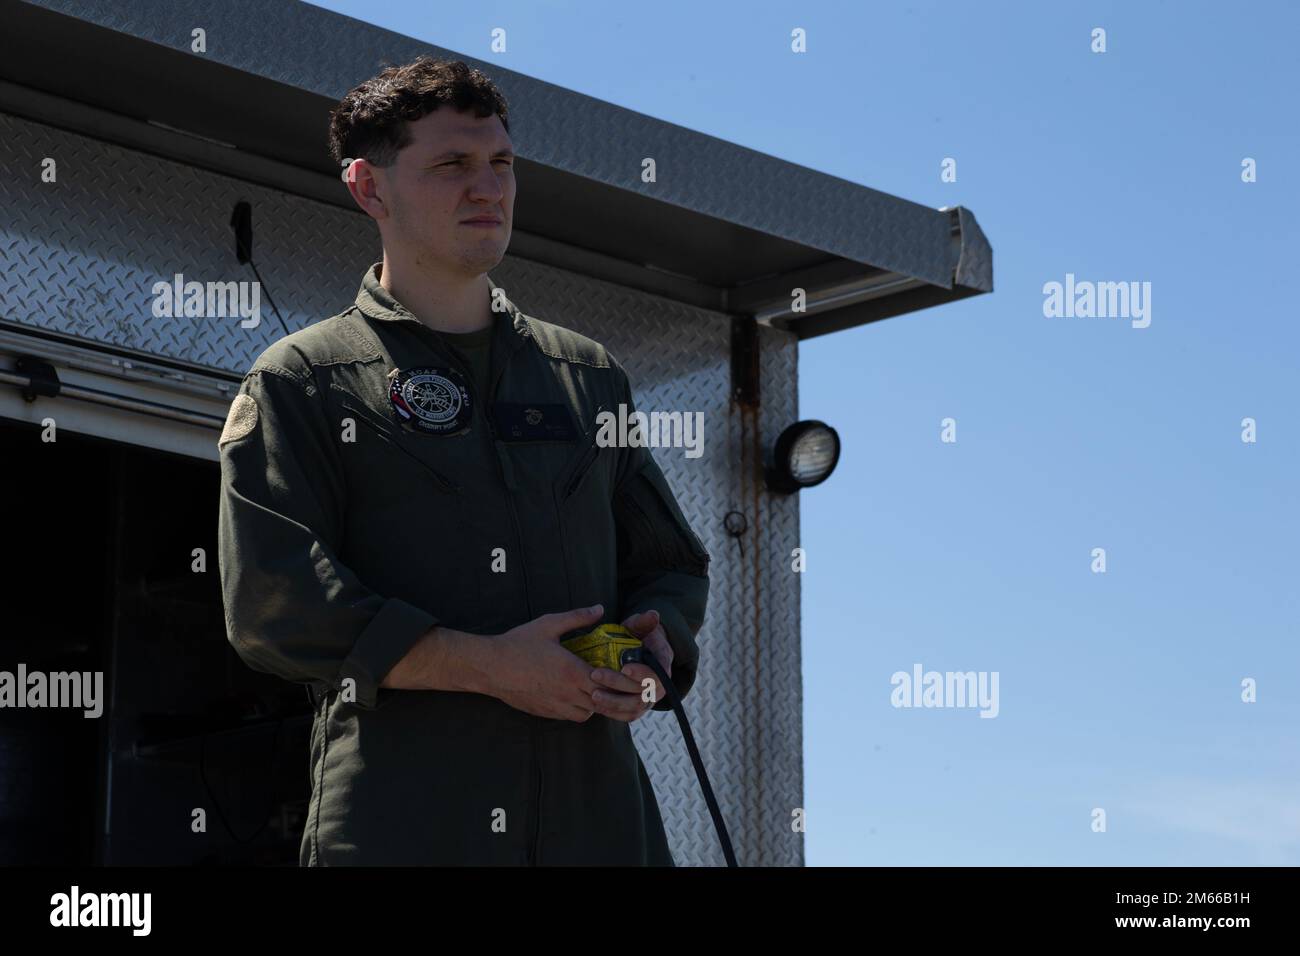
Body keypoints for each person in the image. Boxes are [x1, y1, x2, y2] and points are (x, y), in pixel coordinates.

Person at [216, 57, 711, 865]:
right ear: (369, 188)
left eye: (502, 164)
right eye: (452, 165)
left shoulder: (586, 377)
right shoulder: (305, 380)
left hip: (599, 828)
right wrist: (488, 666)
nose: (489, 189)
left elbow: (670, 566)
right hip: (405, 825)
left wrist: (653, 655)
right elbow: (278, 600)